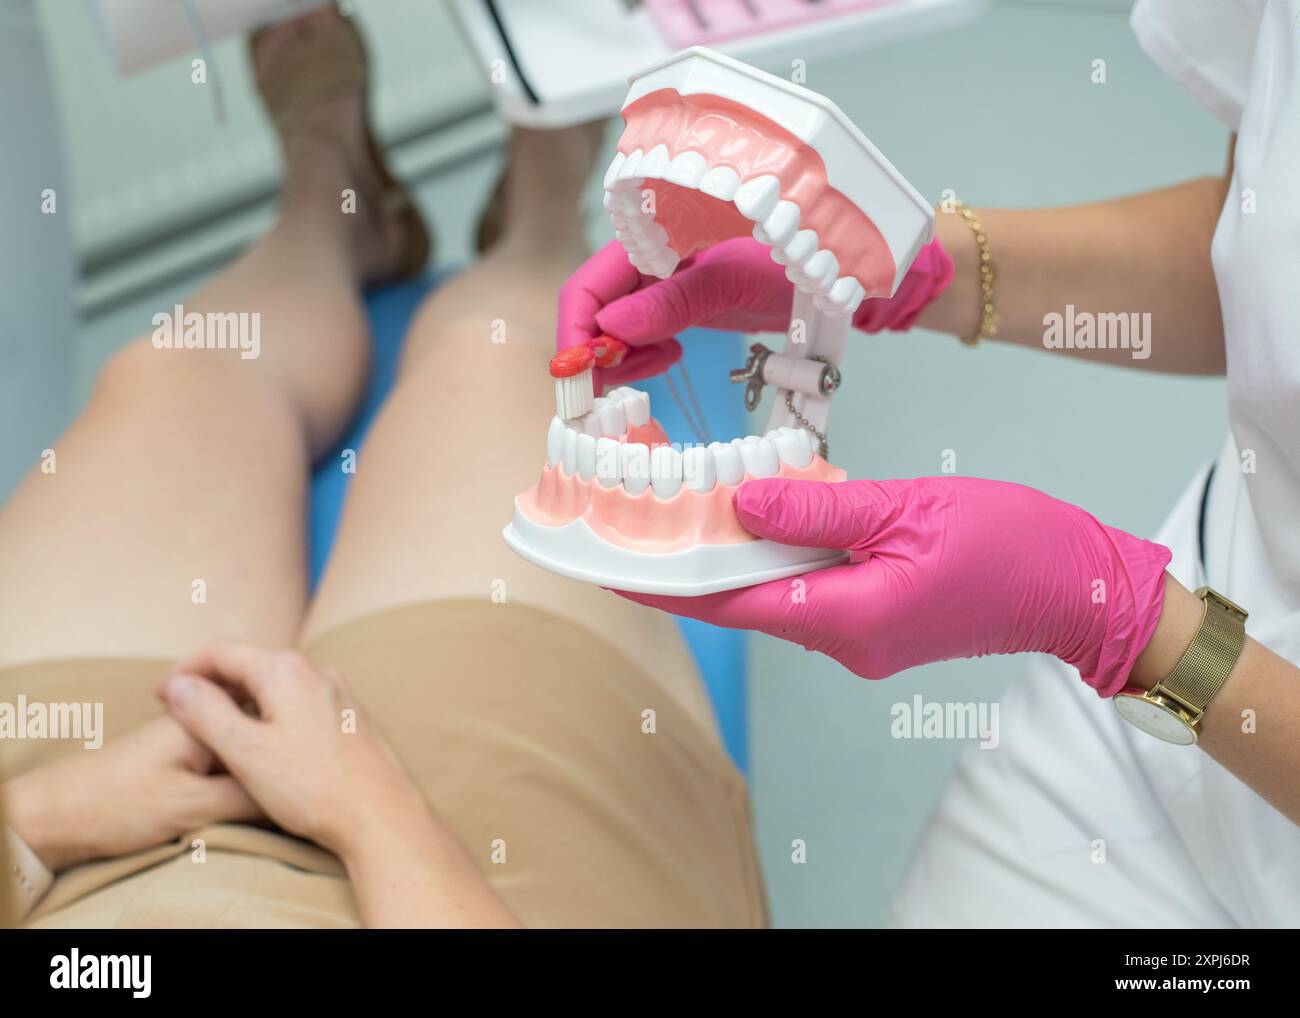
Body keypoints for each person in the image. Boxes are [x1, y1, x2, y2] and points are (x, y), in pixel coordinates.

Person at [0, 8, 766, 928]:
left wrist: (28, 826)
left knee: (179, 375)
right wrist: (368, 811)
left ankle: (327, 198)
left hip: (66, 863)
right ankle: (542, 208)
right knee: (502, 357)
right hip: (483, 888)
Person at [556, 0, 1300, 926]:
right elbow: (1256, 257)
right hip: (1180, 660)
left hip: (1193, 674)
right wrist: (909, 270)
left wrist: (1122, 619)